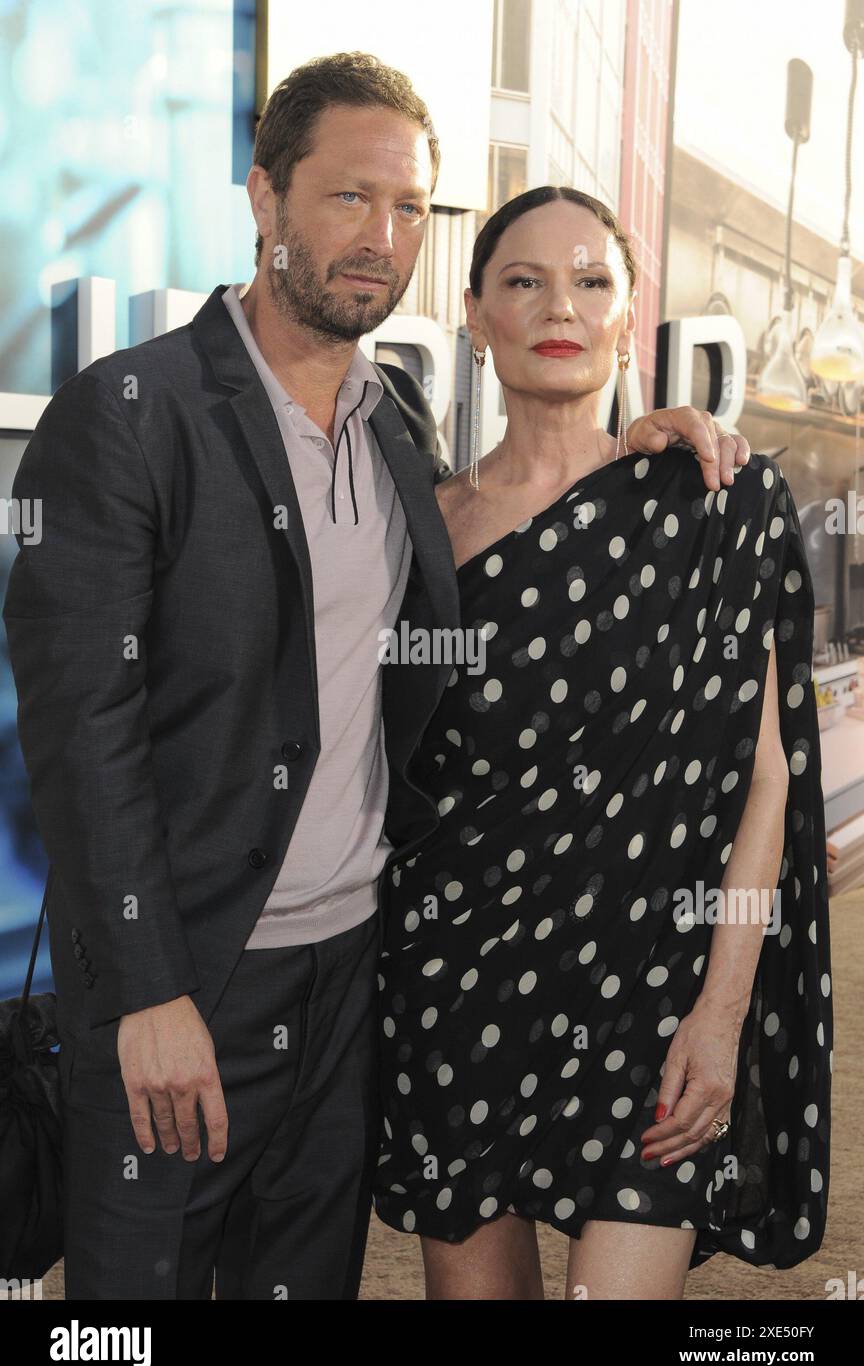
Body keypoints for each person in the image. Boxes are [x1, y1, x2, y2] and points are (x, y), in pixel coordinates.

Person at [3, 53, 750, 1301]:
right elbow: (83, 730)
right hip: (187, 980)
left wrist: (638, 444)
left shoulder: (397, 423)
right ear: (262, 198)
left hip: (357, 980)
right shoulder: (130, 414)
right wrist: (148, 995)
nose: (381, 239)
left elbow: (515, 530)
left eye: (409, 209)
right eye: (349, 199)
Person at [372, 185, 832, 1301]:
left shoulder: (715, 500)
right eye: (523, 282)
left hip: (654, 988)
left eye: (591, 281)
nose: (557, 306)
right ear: (476, 312)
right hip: (455, 971)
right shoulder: (412, 526)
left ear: (631, 316)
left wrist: (721, 1016)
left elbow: (761, 780)